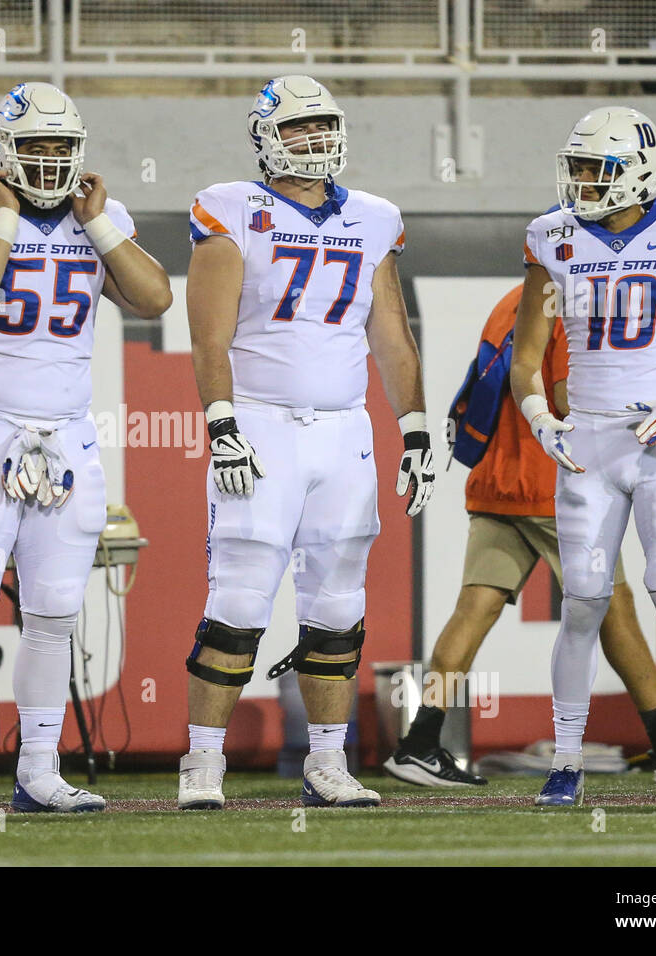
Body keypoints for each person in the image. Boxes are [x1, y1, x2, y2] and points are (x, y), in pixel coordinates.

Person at [0, 82, 172, 815]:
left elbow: (155, 300)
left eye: (62, 148)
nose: (51, 162)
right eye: (35, 147)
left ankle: (38, 768)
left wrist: (101, 229)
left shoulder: (100, 218)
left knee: (55, 609)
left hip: (67, 431)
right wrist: (3, 216)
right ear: (3, 152)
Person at [177, 75, 435, 810]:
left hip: (344, 426)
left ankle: (328, 763)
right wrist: (221, 421)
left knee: (338, 602)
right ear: (265, 137)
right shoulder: (232, 210)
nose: (315, 139)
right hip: (260, 422)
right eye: (298, 128)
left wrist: (413, 427)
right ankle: (203, 764)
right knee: (240, 595)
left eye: (323, 125)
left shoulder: (376, 217)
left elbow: (391, 334)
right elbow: (209, 335)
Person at [383, 286, 656, 787]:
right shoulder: (571, 301)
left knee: (473, 611)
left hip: (496, 481)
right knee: (614, 608)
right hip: (550, 481)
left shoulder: (509, 302)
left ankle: (419, 742)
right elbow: (563, 397)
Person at [511, 106, 656, 807]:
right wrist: (537, 415)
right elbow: (527, 356)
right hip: (586, 437)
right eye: (576, 166)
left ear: (636, 171)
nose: (581, 180)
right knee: (582, 604)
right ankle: (568, 762)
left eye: (595, 168)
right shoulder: (551, 236)